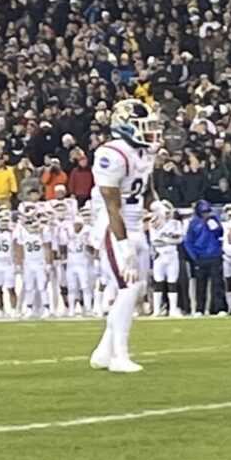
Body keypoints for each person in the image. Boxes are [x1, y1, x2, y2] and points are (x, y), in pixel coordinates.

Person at [89, 98, 160, 373]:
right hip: (112, 225)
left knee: (135, 289)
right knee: (128, 287)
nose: (150, 131)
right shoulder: (112, 154)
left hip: (134, 224)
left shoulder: (144, 152)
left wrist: (155, 204)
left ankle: (104, 351)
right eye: (143, 126)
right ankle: (119, 354)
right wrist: (123, 245)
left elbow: (147, 188)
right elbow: (112, 205)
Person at [149, 201, 183, 318]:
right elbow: (154, 241)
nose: (168, 214)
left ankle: (173, 309)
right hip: (160, 255)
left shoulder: (176, 223)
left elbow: (179, 239)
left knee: (172, 282)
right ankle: (157, 309)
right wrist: (169, 239)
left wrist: (165, 239)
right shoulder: (154, 223)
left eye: (169, 212)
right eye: (165, 212)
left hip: (172, 254)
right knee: (158, 282)